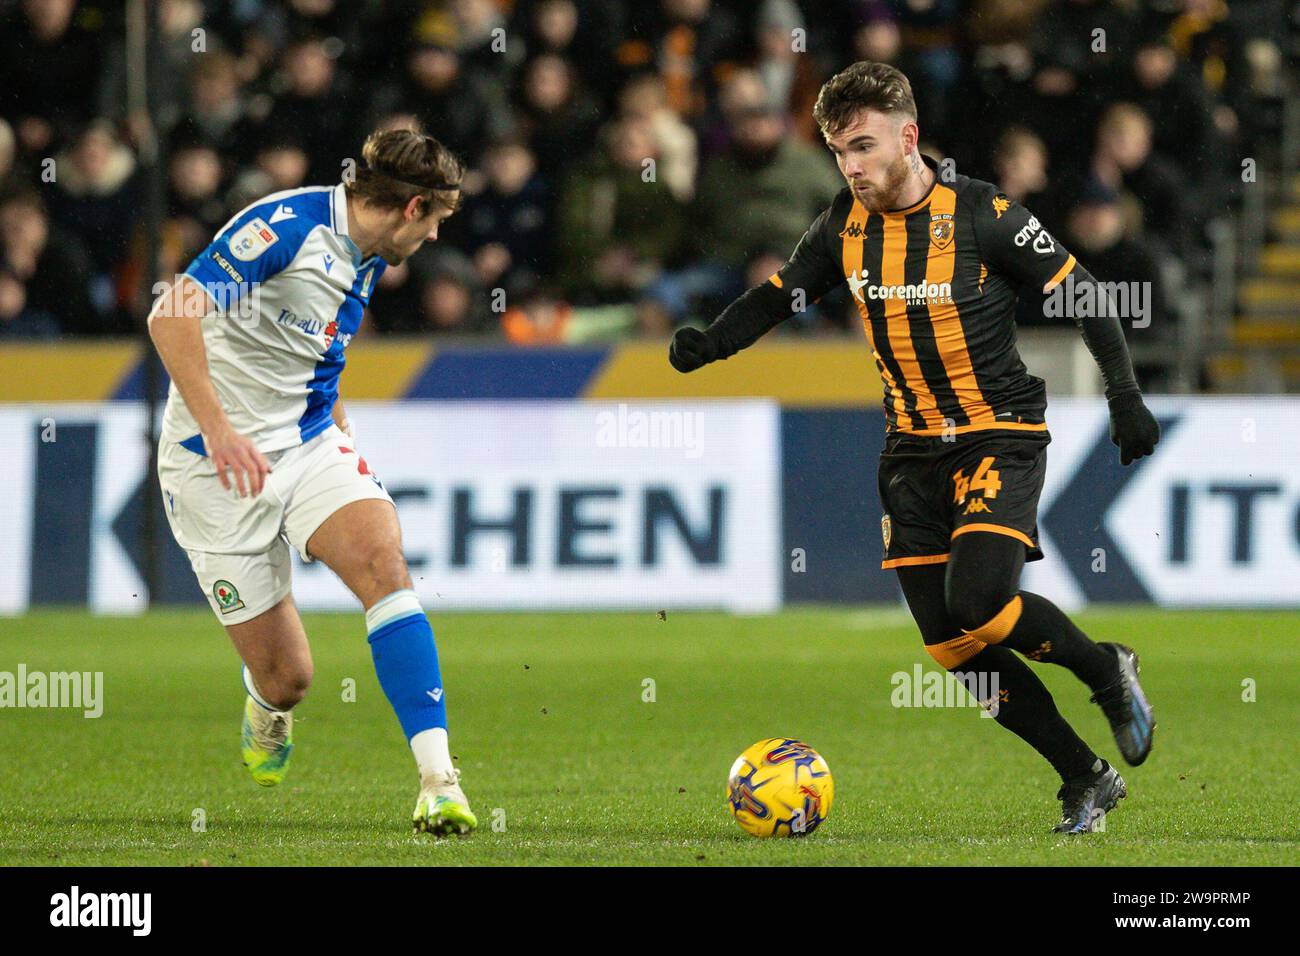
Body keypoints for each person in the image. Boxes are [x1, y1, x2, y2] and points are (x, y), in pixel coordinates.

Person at [668, 61, 1160, 834]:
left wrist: (1123, 397)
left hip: (997, 433)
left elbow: (1089, 297)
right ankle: (1084, 776)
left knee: (978, 604)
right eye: (839, 152)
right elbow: (779, 295)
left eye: (863, 147)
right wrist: (713, 343)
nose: (852, 167)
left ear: (908, 138)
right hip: (909, 454)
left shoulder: (985, 215)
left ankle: (1104, 668)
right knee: (952, 648)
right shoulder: (842, 225)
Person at [147, 127, 477, 836]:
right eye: (437, 220)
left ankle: (439, 782)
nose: (435, 236)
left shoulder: (372, 254)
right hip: (213, 464)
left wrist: (338, 425)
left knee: (384, 564)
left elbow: (311, 346)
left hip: (307, 444)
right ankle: (265, 703)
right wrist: (219, 429)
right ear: (412, 207)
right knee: (288, 678)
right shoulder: (285, 228)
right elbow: (170, 315)